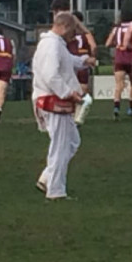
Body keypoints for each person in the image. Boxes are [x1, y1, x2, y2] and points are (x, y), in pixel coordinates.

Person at [32, 13, 96, 200]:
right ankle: (56, 190)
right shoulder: (51, 45)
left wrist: (84, 60)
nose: (74, 36)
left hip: (54, 98)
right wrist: (68, 93)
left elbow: (67, 61)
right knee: (60, 146)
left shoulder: (56, 45)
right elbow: (51, 75)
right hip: (53, 100)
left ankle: (47, 178)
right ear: (66, 27)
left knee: (71, 141)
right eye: (74, 31)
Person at [105, 8, 132, 120]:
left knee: (119, 85)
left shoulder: (116, 29)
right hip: (131, 59)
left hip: (119, 58)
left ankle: (116, 109)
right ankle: (131, 109)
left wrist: (116, 43)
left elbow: (107, 43)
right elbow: (131, 44)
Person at [66, 11, 96, 95]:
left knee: (71, 87)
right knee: (83, 87)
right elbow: (93, 46)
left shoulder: (68, 35)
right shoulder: (86, 34)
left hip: (71, 61)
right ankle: (83, 106)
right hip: (84, 61)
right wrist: (92, 56)